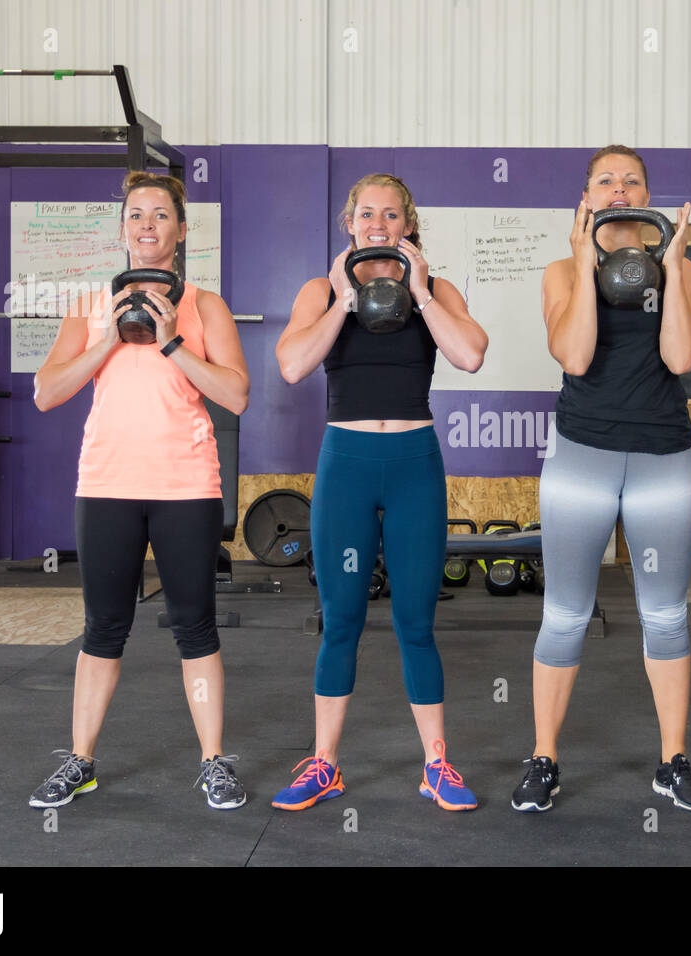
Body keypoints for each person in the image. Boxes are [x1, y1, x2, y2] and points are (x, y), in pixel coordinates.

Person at [28, 171, 250, 810]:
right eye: (135, 215)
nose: (147, 224)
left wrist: (171, 339)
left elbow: (235, 393)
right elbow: (47, 392)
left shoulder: (205, 306)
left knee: (195, 628)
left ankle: (213, 762)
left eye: (160, 215)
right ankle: (80, 761)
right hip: (107, 485)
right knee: (102, 628)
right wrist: (106, 338)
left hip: (186, 485)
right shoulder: (88, 305)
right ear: (123, 229)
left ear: (181, 232)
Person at [272, 173, 489, 812]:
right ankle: (324, 765)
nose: (378, 224)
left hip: (414, 464)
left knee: (415, 622)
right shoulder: (322, 290)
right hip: (347, 465)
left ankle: (437, 765)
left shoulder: (435, 288)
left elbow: (471, 354)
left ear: (408, 226)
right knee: (341, 621)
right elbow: (291, 365)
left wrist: (421, 293)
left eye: (391, 215)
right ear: (349, 224)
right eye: (367, 213)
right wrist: (341, 301)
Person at [511, 146, 691, 813]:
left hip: (661, 457)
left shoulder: (677, 271)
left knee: (666, 615)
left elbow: (681, 355)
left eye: (633, 179)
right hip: (582, 457)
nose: (620, 188)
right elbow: (574, 352)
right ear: (587, 196)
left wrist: (674, 265)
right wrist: (582, 262)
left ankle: (672, 761)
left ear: (648, 194)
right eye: (606, 179)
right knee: (565, 614)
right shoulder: (560, 271)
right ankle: (544, 758)